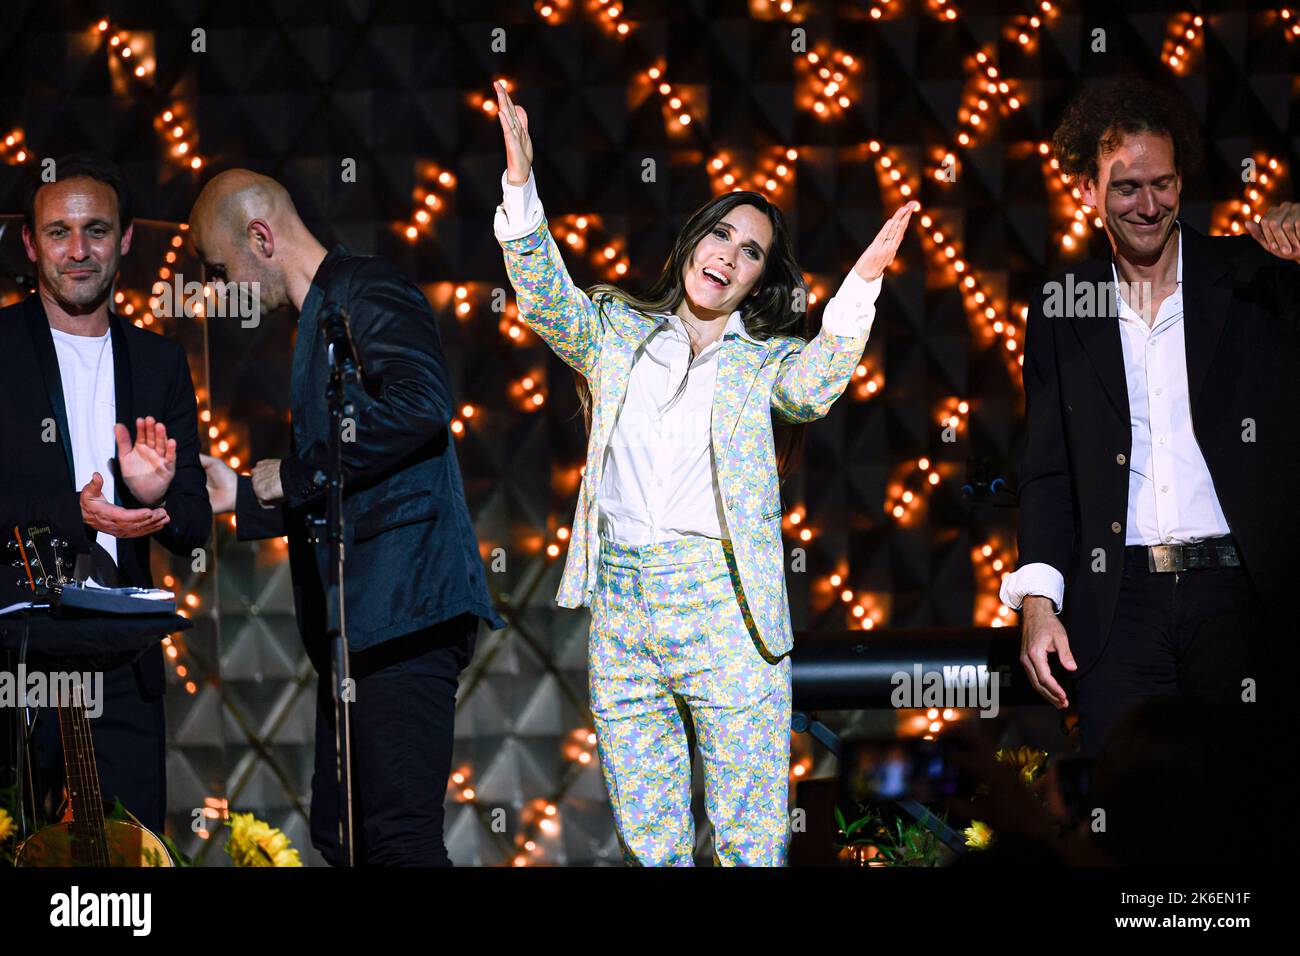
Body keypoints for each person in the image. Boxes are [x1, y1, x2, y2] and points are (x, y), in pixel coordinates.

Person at [492, 80, 916, 865]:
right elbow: (547, 301)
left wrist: (860, 287)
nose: (728, 254)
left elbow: (817, 383)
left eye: (750, 251)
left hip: (726, 611)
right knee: (653, 844)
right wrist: (521, 185)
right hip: (623, 607)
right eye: (720, 234)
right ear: (692, 240)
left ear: (760, 279)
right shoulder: (618, 331)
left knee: (751, 843)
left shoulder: (764, 365)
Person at [189, 169, 505, 866]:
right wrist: (241, 495)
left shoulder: (365, 289)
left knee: (398, 841)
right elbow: (352, 486)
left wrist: (293, 473)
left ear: (261, 237)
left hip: (406, 610)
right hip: (361, 625)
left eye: (220, 269)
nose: (222, 289)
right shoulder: (320, 322)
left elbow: (421, 406)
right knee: (344, 836)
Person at [1001, 78, 1300, 757]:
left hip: (1243, 602)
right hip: (1119, 607)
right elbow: (1047, 471)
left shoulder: (1256, 273)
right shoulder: (1062, 306)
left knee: (1251, 820)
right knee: (1129, 824)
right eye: (1127, 187)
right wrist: (1039, 605)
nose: (1148, 204)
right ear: (1088, 192)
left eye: (1162, 184)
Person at [0, 152, 211, 832]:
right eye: (58, 232)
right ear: (31, 243)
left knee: (125, 874)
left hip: (125, 665)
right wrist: (74, 513)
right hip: (16, 659)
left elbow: (192, 525)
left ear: (124, 240)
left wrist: (154, 501)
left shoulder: (160, 361)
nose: (78, 249)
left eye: (96, 230)